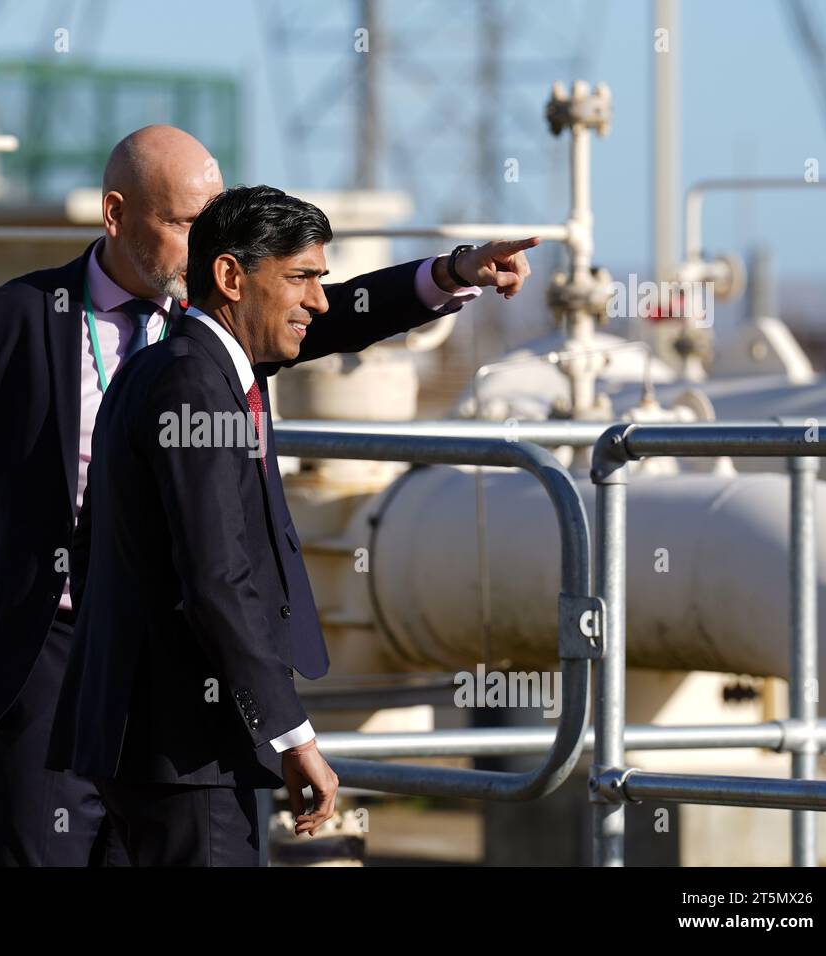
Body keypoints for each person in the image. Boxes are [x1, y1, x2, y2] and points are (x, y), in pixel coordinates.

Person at [0, 123, 534, 866]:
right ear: (115, 214)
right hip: (50, 660)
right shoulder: (14, 320)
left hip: (190, 671)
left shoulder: (226, 321)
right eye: (183, 224)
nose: (204, 243)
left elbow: (338, 308)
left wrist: (452, 272)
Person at [47, 185, 539, 865]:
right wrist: (291, 735)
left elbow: (347, 318)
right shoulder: (196, 385)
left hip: (152, 742)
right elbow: (217, 579)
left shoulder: (184, 363)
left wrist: (451, 273)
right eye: (302, 278)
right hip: (186, 746)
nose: (319, 300)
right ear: (229, 277)